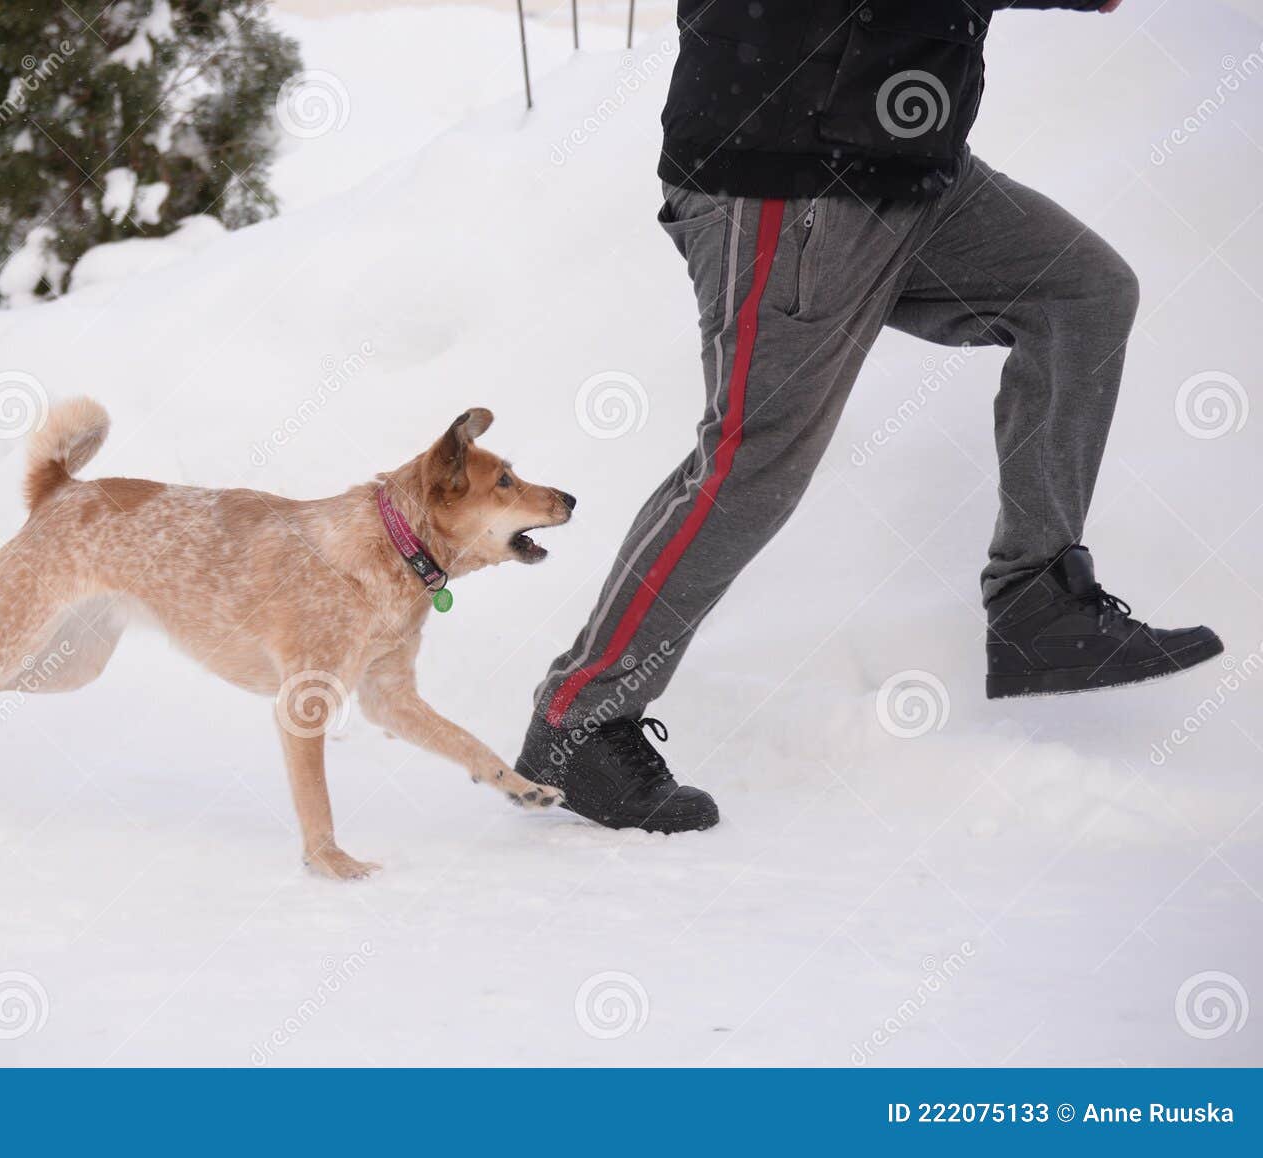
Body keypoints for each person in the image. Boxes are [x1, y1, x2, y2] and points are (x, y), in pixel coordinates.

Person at [514, 0, 1222, 833]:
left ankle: (1038, 602)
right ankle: (580, 718)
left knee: (1080, 293)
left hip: (906, 164)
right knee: (754, 458)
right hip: (789, 167)